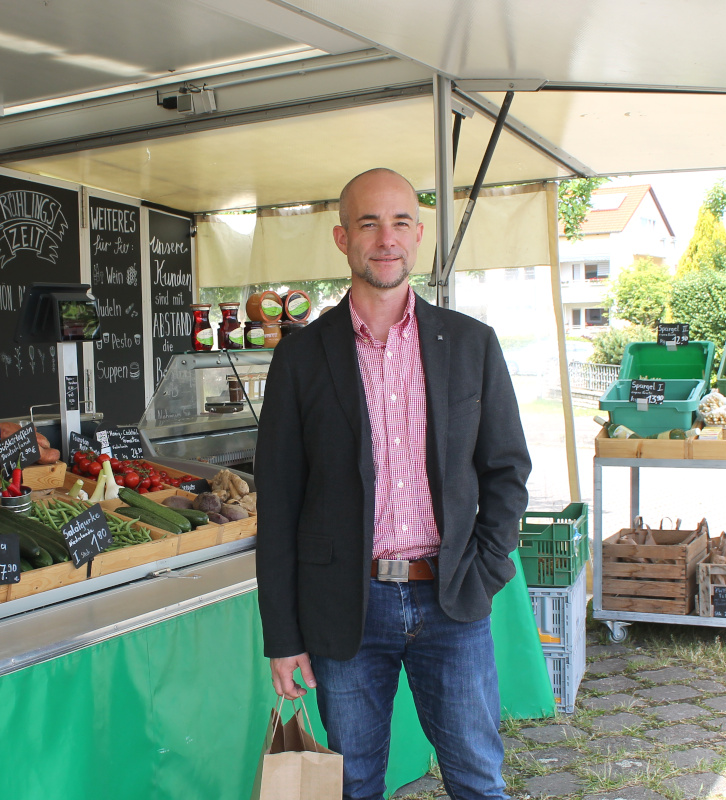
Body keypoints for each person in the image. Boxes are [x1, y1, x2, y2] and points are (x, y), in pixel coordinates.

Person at [254, 168, 531, 800]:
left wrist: (486, 566)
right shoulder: (299, 357)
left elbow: (507, 470)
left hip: (452, 598)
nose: (386, 238)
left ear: (420, 233)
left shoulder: (471, 344)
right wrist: (284, 636)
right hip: (345, 607)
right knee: (353, 785)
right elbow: (280, 500)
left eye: (401, 222)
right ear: (341, 237)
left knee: (478, 777)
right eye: (369, 223)